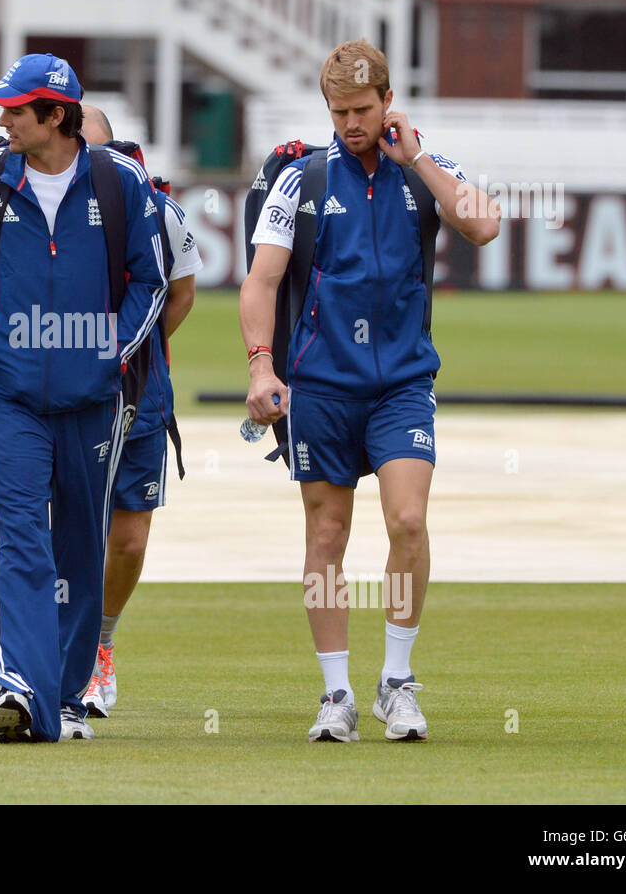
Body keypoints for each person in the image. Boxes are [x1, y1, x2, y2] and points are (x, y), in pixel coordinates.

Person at [239, 39, 500, 742]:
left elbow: (483, 223)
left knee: (407, 522)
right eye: (338, 110)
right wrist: (263, 367)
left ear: (388, 101)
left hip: (403, 384)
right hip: (320, 385)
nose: (350, 122)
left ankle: (397, 682)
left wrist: (415, 156)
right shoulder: (304, 179)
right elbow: (262, 280)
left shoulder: (425, 168)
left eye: (361, 108)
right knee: (327, 534)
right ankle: (335, 694)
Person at [0, 53, 167, 742]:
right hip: (9, 400)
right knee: (19, 537)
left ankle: (66, 697)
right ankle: (20, 687)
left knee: (80, 546)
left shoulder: (121, 181)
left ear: (55, 115)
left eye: (15, 109)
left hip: (94, 399)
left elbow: (148, 283)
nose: (2, 119)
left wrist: (110, 355)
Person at [75, 105, 202, 719]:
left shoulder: (158, 211)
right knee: (59, 527)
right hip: (60, 394)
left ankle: (100, 644)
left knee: (126, 540)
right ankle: (53, 652)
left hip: (139, 395)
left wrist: (134, 351)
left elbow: (180, 294)